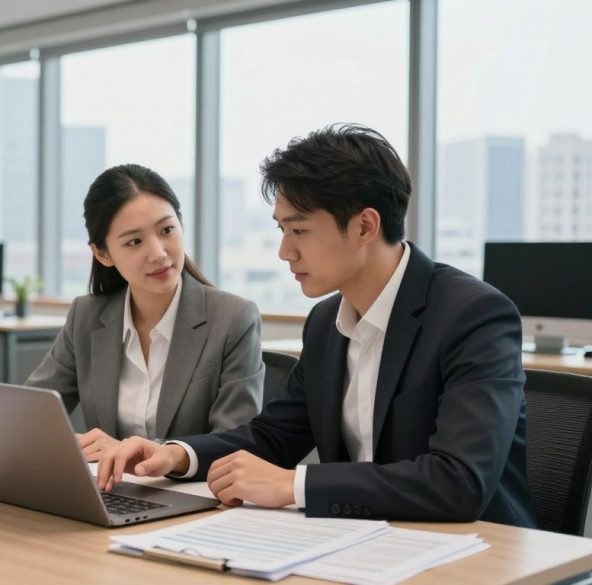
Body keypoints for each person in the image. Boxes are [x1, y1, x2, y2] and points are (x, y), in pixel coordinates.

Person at [97, 125, 536, 527]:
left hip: (477, 550)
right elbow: (274, 436)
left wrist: (293, 484)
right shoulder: (327, 322)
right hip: (363, 539)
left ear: (365, 226)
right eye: (281, 231)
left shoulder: (473, 315)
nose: (284, 252)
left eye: (299, 231)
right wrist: (176, 454)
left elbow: (459, 482)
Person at [26, 164, 264, 462]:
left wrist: (146, 455)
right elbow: (29, 414)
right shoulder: (86, 317)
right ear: (103, 254)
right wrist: (71, 444)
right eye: (135, 242)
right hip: (110, 486)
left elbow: (235, 445)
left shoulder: (233, 318)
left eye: (167, 230)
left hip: (194, 489)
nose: (158, 253)